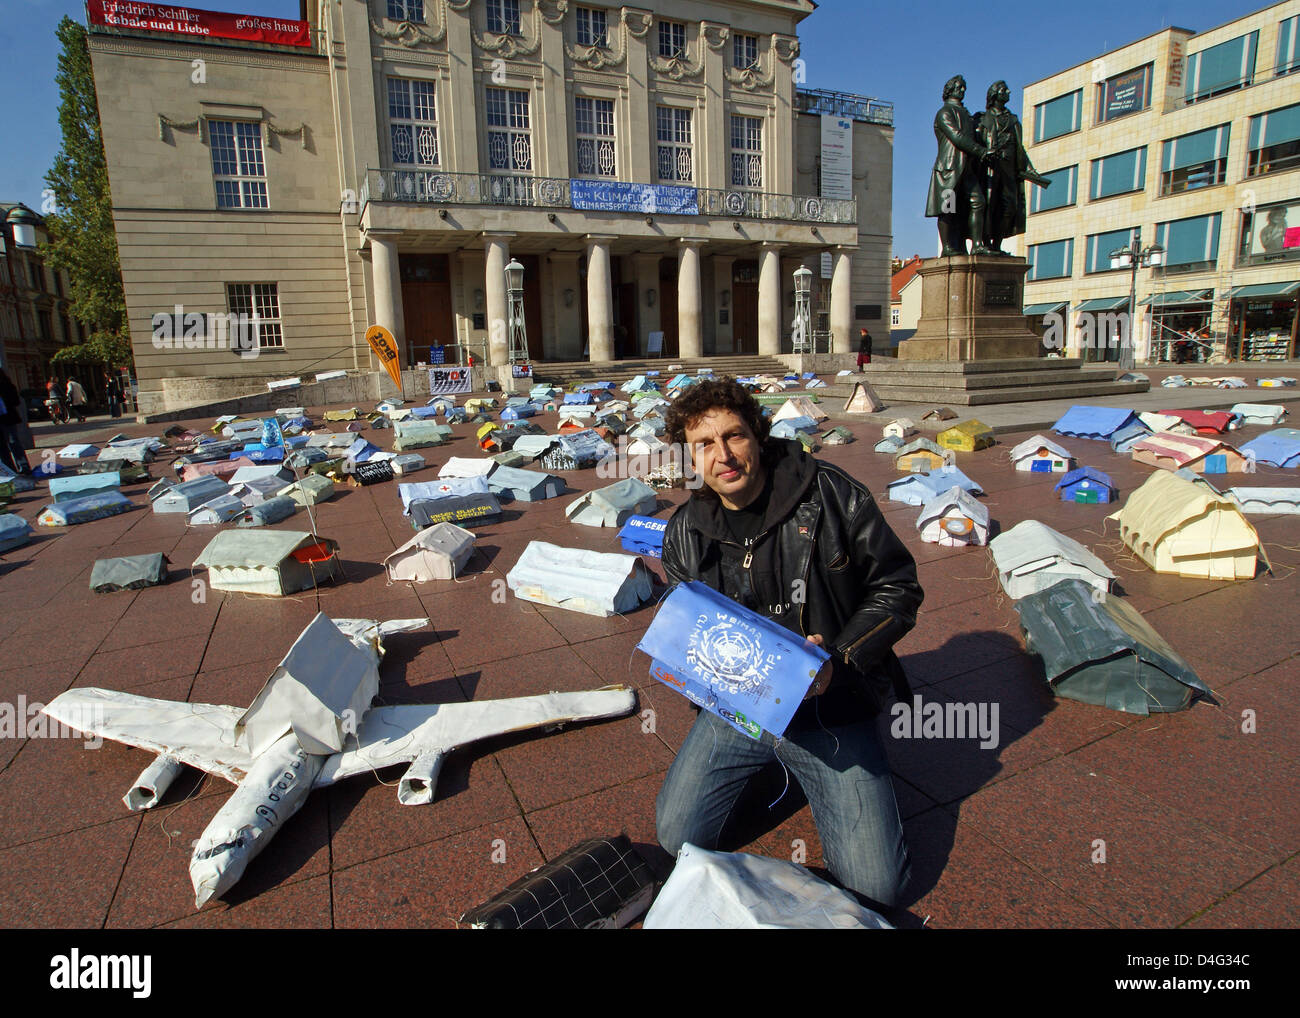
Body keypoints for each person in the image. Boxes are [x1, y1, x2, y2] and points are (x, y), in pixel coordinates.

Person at [656, 377, 923, 907]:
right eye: (705, 444)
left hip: (832, 706)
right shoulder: (685, 530)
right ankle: (786, 771)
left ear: (758, 435)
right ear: (691, 457)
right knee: (677, 838)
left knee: (878, 888)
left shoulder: (830, 494)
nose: (723, 455)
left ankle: (813, 774)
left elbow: (897, 587)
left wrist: (839, 661)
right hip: (740, 710)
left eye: (733, 436)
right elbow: (690, 627)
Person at [925, 74, 989, 256]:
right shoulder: (945, 113)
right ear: (949, 90)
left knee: (978, 202)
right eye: (959, 87)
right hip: (949, 169)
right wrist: (981, 151)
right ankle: (947, 247)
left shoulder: (967, 114)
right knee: (948, 208)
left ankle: (976, 245)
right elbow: (957, 137)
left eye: (964, 88)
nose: (962, 90)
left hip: (967, 168)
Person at [0, 368, 31, 475]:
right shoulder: (7, 384)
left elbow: (16, 401)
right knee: (4, 446)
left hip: (8, 418)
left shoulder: (6, 385)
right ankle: (10, 470)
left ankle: (23, 467)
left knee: (13, 443)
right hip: (7, 418)